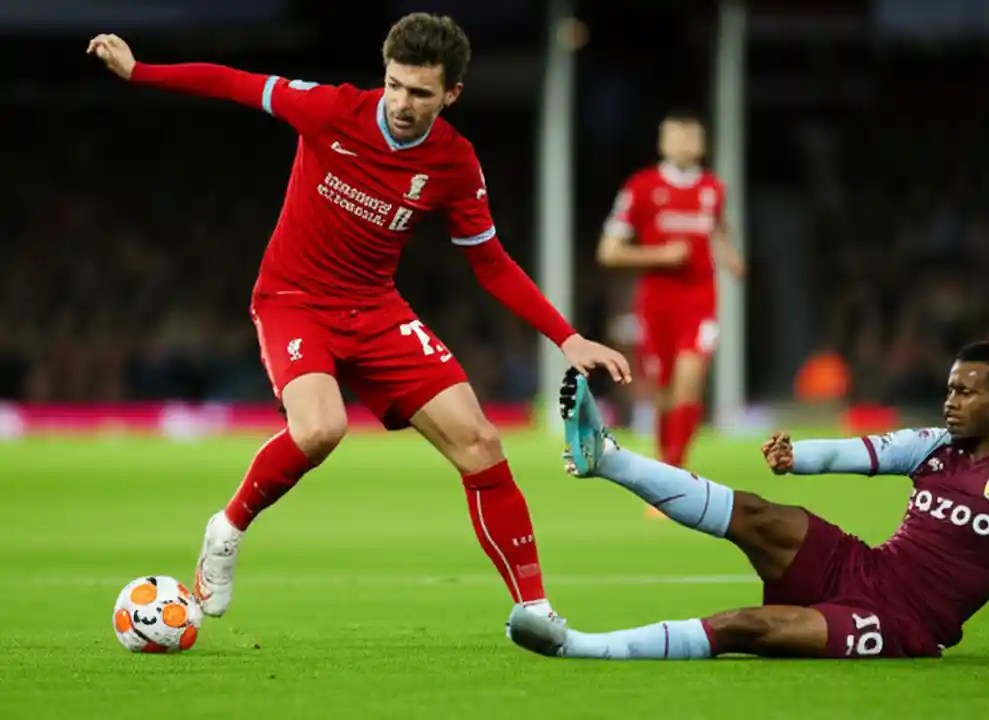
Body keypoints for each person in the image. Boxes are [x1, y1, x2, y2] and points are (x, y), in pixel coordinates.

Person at [87, 13, 630, 627]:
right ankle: (228, 527)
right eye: (395, 84)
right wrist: (140, 72)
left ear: (451, 94)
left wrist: (569, 337)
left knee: (480, 441)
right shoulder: (329, 110)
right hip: (292, 299)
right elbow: (233, 83)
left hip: (374, 308)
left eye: (421, 92)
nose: (402, 102)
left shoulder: (455, 163)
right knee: (321, 429)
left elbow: (492, 264)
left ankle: (535, 609)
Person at [508, 342, 989, 662]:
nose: (950, 401)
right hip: (864, 570)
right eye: (949, 389)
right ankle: (611, 459)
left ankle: (577, 647)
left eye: (966, 392)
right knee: (760, 515)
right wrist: (801, 457)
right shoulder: (933, 446)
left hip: (905, 624)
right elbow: (864, 452)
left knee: (751, 627)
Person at [597, 110, 744, 470]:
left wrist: (729, 258)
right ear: (664, 144)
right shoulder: (641, 188)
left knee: (689, 381)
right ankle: (665, 463)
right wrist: (660, 254)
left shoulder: (712, 189)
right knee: (663, 391)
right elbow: (608, 251)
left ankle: (677, 470)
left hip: (700, 298)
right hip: (657, 301)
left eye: (694, 137)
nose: (689, 143)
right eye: (680, 136)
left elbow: (718, 230)